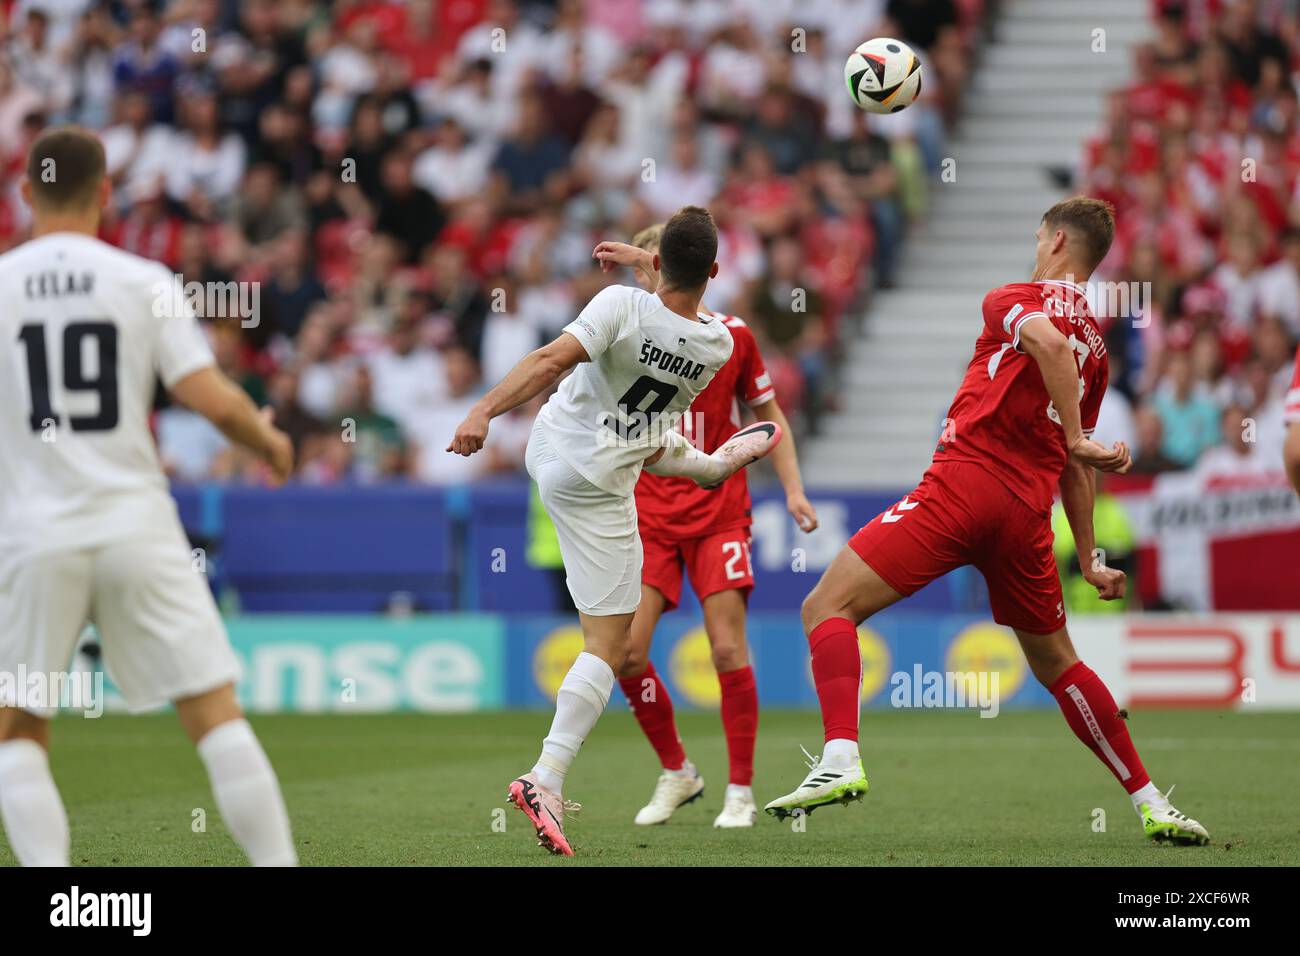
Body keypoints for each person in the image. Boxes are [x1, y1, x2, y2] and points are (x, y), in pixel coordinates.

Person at [764, 197, 1211, 846]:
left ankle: (839, 758)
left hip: (963, 487)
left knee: (825, 608)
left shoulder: (1012, 298)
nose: (1035, 245)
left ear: (1057, 241)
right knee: (1060, 667)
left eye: (1038, 235)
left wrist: (1080, 438)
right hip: (1025, 518)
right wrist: (1086, 558)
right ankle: (1150, 800)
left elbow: (1049, 352)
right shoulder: (1098, 354)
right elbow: (1071, 462)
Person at [0, 127, 298, 866]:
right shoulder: (143, 280)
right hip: (136, 522)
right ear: (105, 193)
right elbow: (211, 399)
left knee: (18, 727)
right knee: (213, 715)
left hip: (34, 534)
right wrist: (268, 442)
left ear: (26, 192)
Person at [447, 205, 781, 855]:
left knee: (616, 641)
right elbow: (653, 436)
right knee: (609, 646)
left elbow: (549, 362)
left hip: (548, 451)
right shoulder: (717, 345)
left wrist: (484, 410)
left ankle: (665, 771)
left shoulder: (619, 306)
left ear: (657, 261)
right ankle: (546, 776)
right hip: (599, 486)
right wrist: (709, 467)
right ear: (714, 271)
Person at [592, 224, 817, 829]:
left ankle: (739, 790)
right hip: (648, 514)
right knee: (627, 654)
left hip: (717, 511)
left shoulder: (731, 337)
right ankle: (678, 771)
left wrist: (793, 489)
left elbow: (768, 415)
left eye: (655, 266)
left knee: (724, 648)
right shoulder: (625, 328)